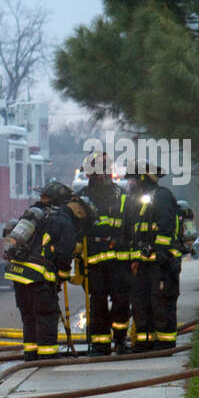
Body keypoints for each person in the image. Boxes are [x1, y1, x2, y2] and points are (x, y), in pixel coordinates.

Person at [4, 181, 79, 361]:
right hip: (39, 277)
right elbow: (64, 254)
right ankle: (47, 359)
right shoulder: (62, 220)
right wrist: (62, 278)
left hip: (18, 273)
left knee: (29, 317)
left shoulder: (31, 214)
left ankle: (30, 356)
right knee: (45, 316)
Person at [123, 162, 181, 352]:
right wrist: (136, 259)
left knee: (161, 302)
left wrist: (161, 254)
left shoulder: (162, 196)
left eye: (133, 179)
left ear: (143, 178)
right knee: (141, 303)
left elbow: (165, 229)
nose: (130, 184)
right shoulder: (141, 201)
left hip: (161, 263)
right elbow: (137, 233)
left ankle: (165, 342)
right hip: (145, 264)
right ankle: (144, 341)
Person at [78, 152, 132, 355]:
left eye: (101, 172)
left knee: (121, 301)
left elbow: (131, 225)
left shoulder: (122, 195)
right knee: (98, 303)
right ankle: (100, 345)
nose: (98, 177)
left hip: (120, 260)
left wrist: (121, 240)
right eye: (93, 174)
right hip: (94, 262)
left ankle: (120, 340)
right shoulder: (82, 198)